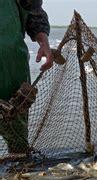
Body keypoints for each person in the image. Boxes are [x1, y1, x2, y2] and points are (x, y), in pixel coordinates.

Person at [0, 0, 53, 155]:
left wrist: (44, 43)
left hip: (12, 65)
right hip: (12, 61)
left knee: (17, 137)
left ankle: (17, 171)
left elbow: (34, 13)